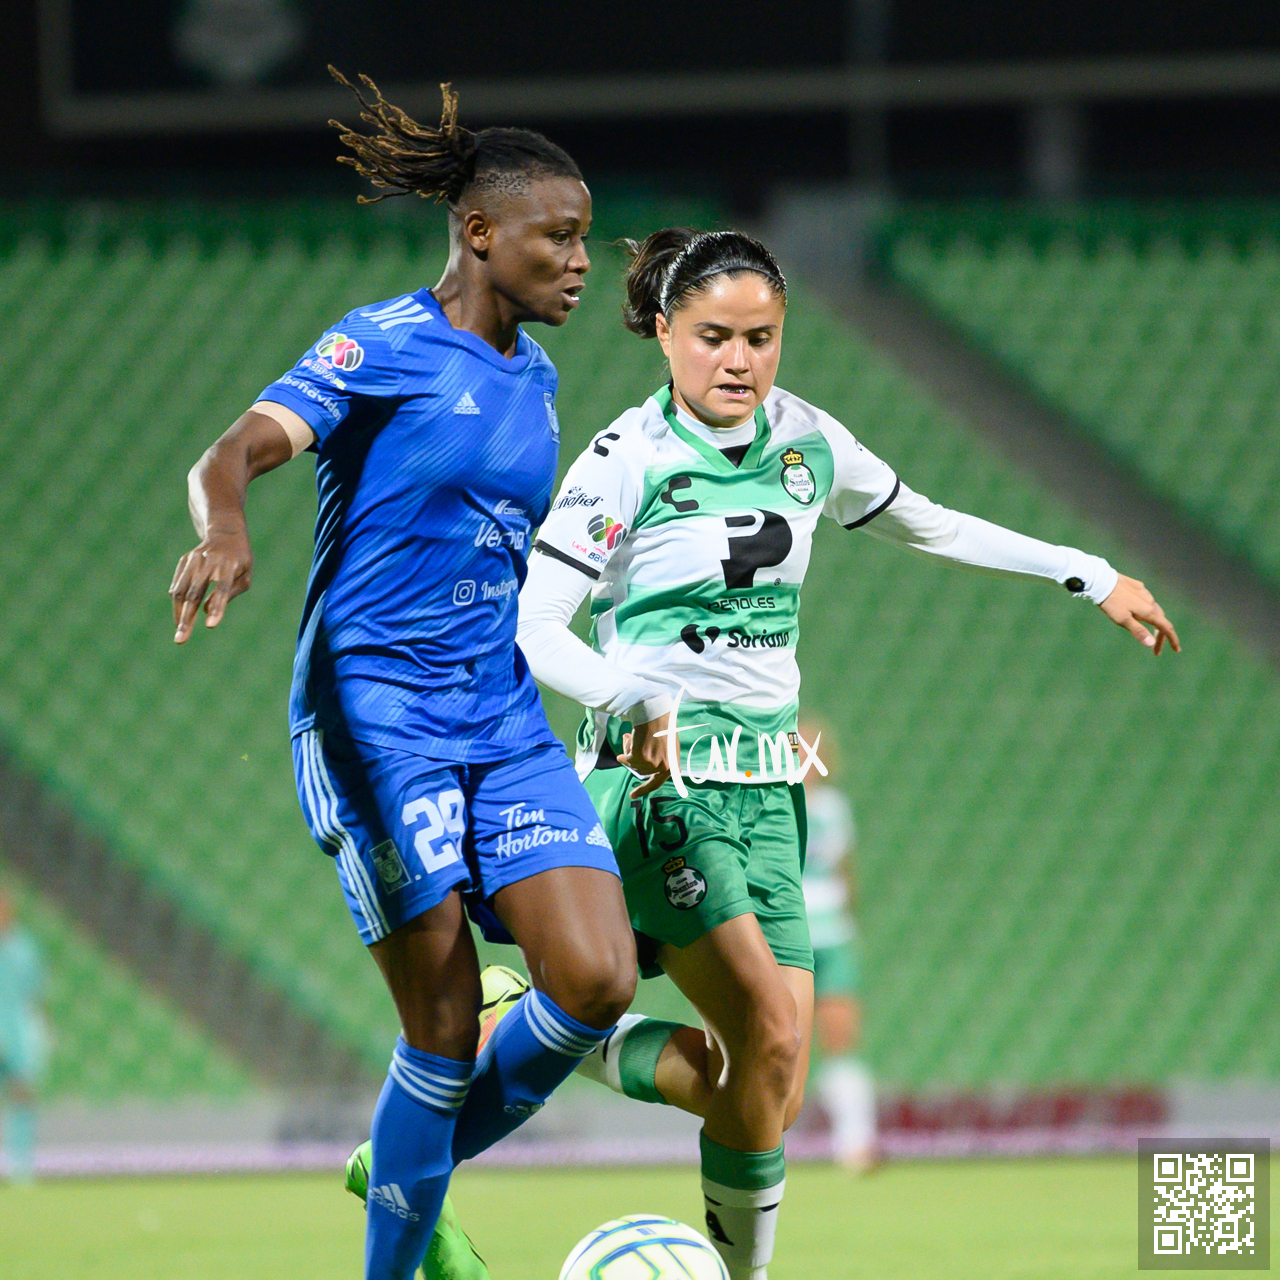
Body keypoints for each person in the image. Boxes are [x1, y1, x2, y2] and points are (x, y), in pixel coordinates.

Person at [516, 227, 1179, 1280]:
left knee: (770, 1077)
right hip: (659, 778)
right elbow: (536, 625)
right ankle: (574, 1036)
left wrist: (1085, 571)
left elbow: (927, 521)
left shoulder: (808, 442)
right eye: (712, 337)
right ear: (661, 334)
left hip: (768, 783)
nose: (737, 359)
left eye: (760, 338)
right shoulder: (624, 460)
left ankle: (564, 1029)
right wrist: (628, 692)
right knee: (767, 1038)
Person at [169, 72, 636, 1280]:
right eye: (560, 235)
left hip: (499, 714)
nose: (581, 261)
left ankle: (400, 1154)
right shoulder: (381, 344)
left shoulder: (534, 379)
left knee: (594, 974)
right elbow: (233, 449)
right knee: (435, 1026)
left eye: (584, 237)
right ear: (480, 231)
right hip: (375, 716)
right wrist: (226, 524)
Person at [796, 725, 877, 1171]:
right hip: (787, 934)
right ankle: (763, 1144)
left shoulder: (834, 807)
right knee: (781, 1041)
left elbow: (845, 872)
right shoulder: (771, 802)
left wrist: (850, 923)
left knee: (841, 1037)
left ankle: (855, 1144)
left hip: (832, 934)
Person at [0, 885, 47, 1186]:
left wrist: (36, 1031)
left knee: (22, 1095)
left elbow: (34, 993)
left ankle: (22, 1167)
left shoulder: (24, 948)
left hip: (17, 1031)